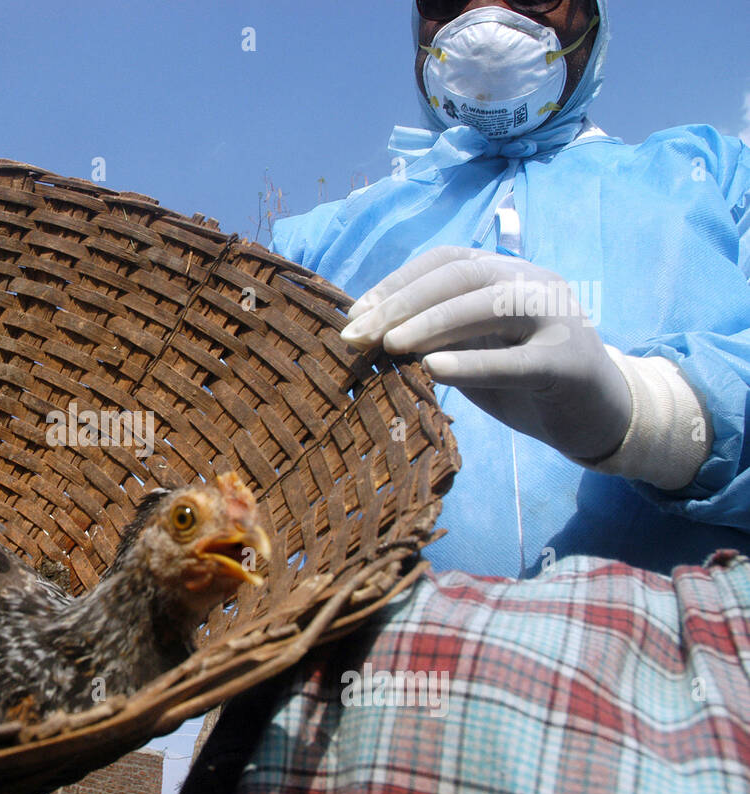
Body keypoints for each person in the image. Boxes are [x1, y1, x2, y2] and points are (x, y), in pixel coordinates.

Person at [270, 0, 750, 578]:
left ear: (593, 19)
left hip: (688, 647)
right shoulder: (313, 245)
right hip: (379, 659)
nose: (486, 13)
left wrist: (652, 416)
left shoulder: (713, 178)